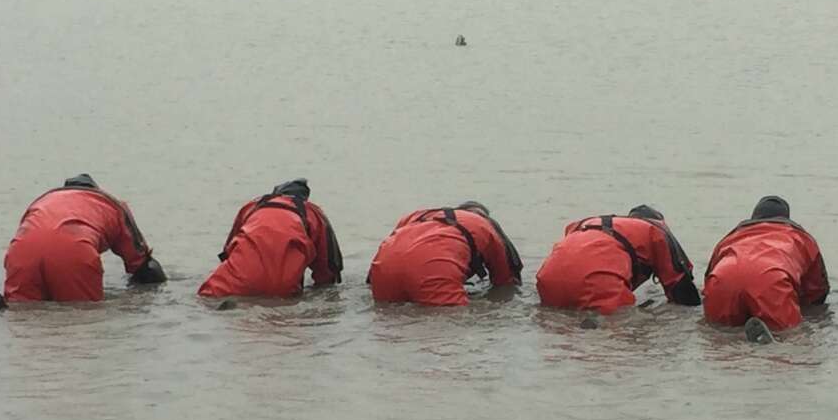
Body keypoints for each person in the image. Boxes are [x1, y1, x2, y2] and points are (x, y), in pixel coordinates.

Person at [1, 174, 164, 303]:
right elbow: (141, 262)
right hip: (74, 250)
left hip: (21, 251)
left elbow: (29, 232)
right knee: (81, 318)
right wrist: (155, 291)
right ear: (96, 189)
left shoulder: (42, 201)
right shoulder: (113, 205)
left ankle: (1, 309)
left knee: (22, 313)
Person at [536, 205, 700, 314]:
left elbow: (573, 256)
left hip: (549, 279)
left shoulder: (586, 223)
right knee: (613, 330)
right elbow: (680, 285)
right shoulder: (655, 230)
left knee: (561, 321)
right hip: (599, 282)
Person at [198, 179, 342, 298]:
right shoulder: (312, 212)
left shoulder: (252, 206)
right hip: (283, 289)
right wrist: (323, 288)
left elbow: (228, 250)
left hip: (229, 285)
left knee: (208, 299)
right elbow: (328, 265)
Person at [703, 196, 828, 331]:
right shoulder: (802, 238)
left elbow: (709, 274)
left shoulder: (730, 237)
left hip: (722, 280)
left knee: (718, 332)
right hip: (771, 280)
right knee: (789, 334)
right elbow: (816, 290)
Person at [368, 201, 522, 306]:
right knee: (447, 326)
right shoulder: (485, 225)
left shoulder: (416, 216)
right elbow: (506, 278)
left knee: (388, 317)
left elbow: (391, 243)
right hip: (434, 268)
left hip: (384, 269)